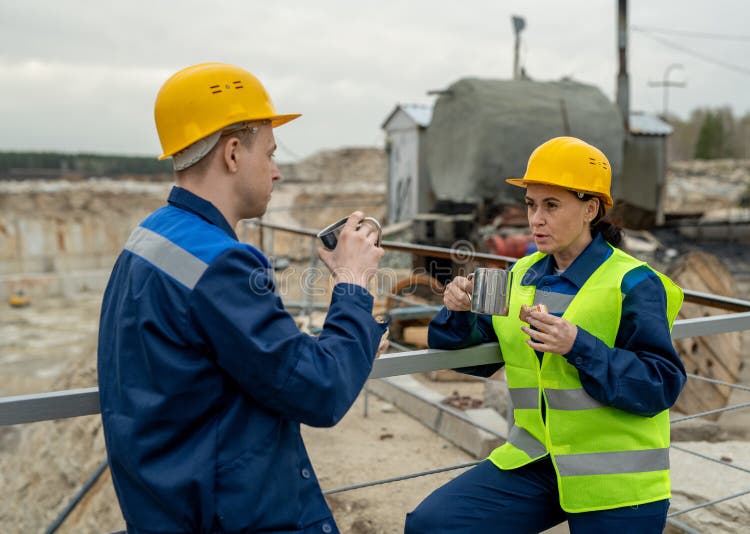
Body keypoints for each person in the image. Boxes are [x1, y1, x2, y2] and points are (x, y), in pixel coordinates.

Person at [97, 62, 387, 533]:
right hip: (230, 513)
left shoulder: (150, 236)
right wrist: (352, 284)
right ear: (232, 153)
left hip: (167, 504)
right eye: (270, 154)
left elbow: (227, 355)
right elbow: (320, 392)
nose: (275, 173)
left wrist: (344, 343)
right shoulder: (223, 262)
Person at [405, 136, 685, 533]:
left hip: (616, 479)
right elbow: (478, 354)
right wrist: (456, 311)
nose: (535, 218)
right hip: (535, 461)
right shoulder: (521, 274)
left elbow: (660, 384)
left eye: (551, 205)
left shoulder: (636, 283)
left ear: (590, 208)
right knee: (433, 525)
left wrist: (578, 347)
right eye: (531, 204)